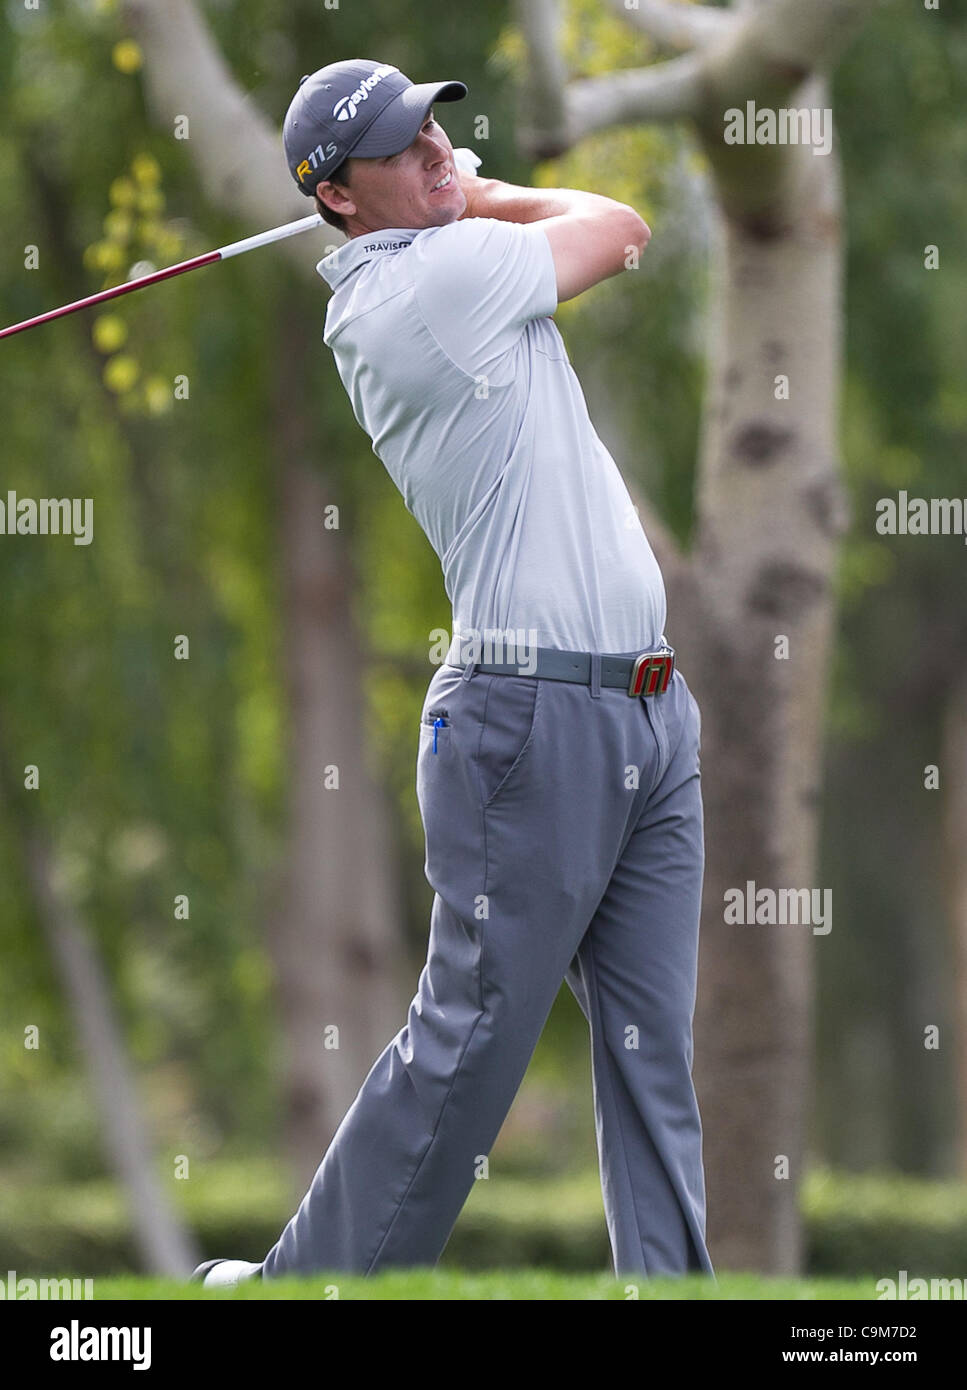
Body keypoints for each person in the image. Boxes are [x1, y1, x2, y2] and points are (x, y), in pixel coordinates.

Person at [194, 57, 713, 1288]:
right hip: (528, 724)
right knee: (468, 1050)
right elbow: (623, 227)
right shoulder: (419, 291)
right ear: (338, 199)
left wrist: (457, 193)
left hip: (650, 714)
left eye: (436, 126)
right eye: (401, 144)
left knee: (654, 1057)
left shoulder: (439, 260)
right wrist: (480, 197)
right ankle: (296, 1288)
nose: (435, 147)